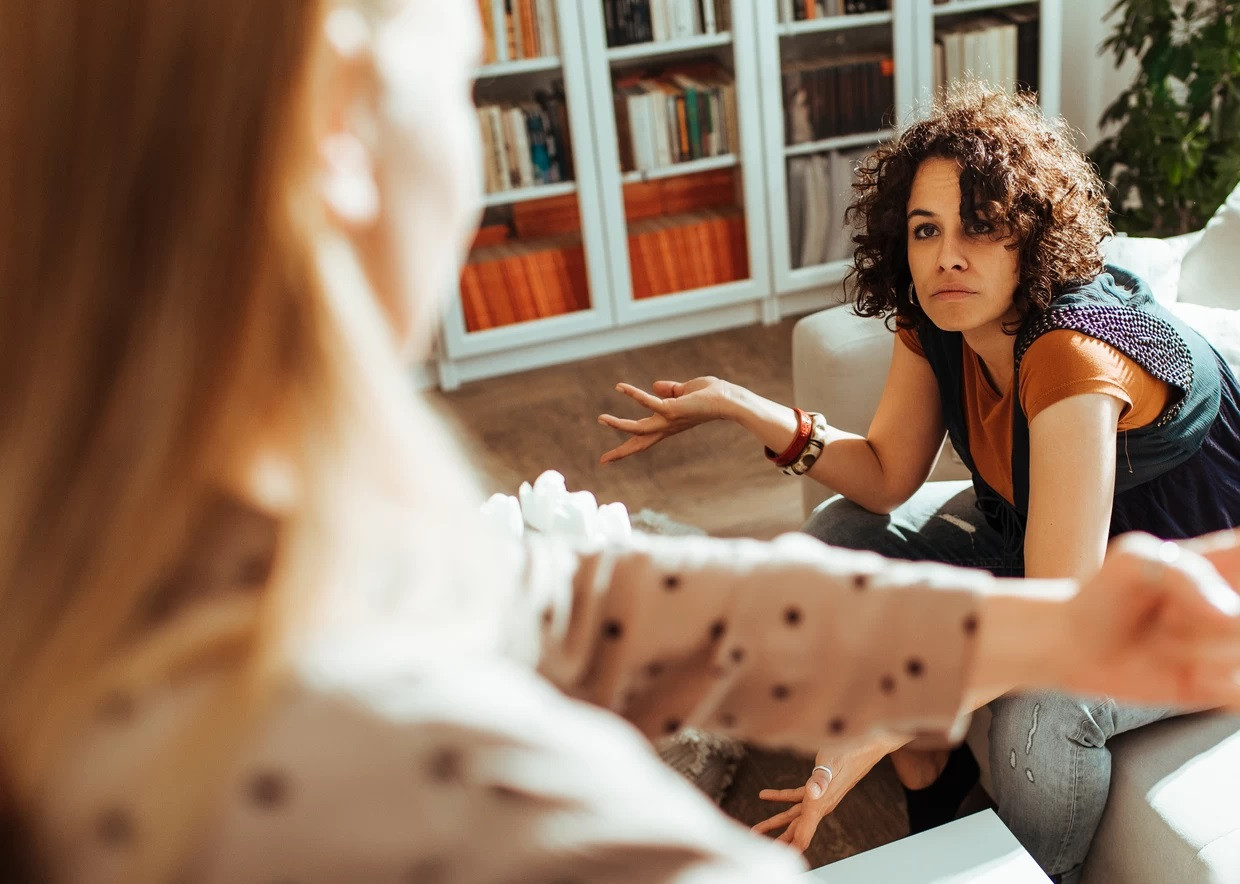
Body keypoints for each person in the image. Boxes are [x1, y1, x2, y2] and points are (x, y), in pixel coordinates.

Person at [2, 6, 1240, 883]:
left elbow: (589, 597)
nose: (946, 255)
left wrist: (1037, 640)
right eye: (466, 71)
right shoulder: (432, 771)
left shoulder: (186, 551)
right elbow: (852, 496)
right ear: (338, 128)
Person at [599, 84, 1240, 881]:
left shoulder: (1072, 356)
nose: (948, 257)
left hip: (1198, 587)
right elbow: (884, 478)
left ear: (1029, 239)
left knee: (1041, 712)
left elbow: (1058, 619)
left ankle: (1029, 871)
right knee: (838, 540)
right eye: (926, 230)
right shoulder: (938, 315)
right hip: (1055, 546)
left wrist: (870, 731)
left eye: (980, 228)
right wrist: (743, 408)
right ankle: (932, 786)